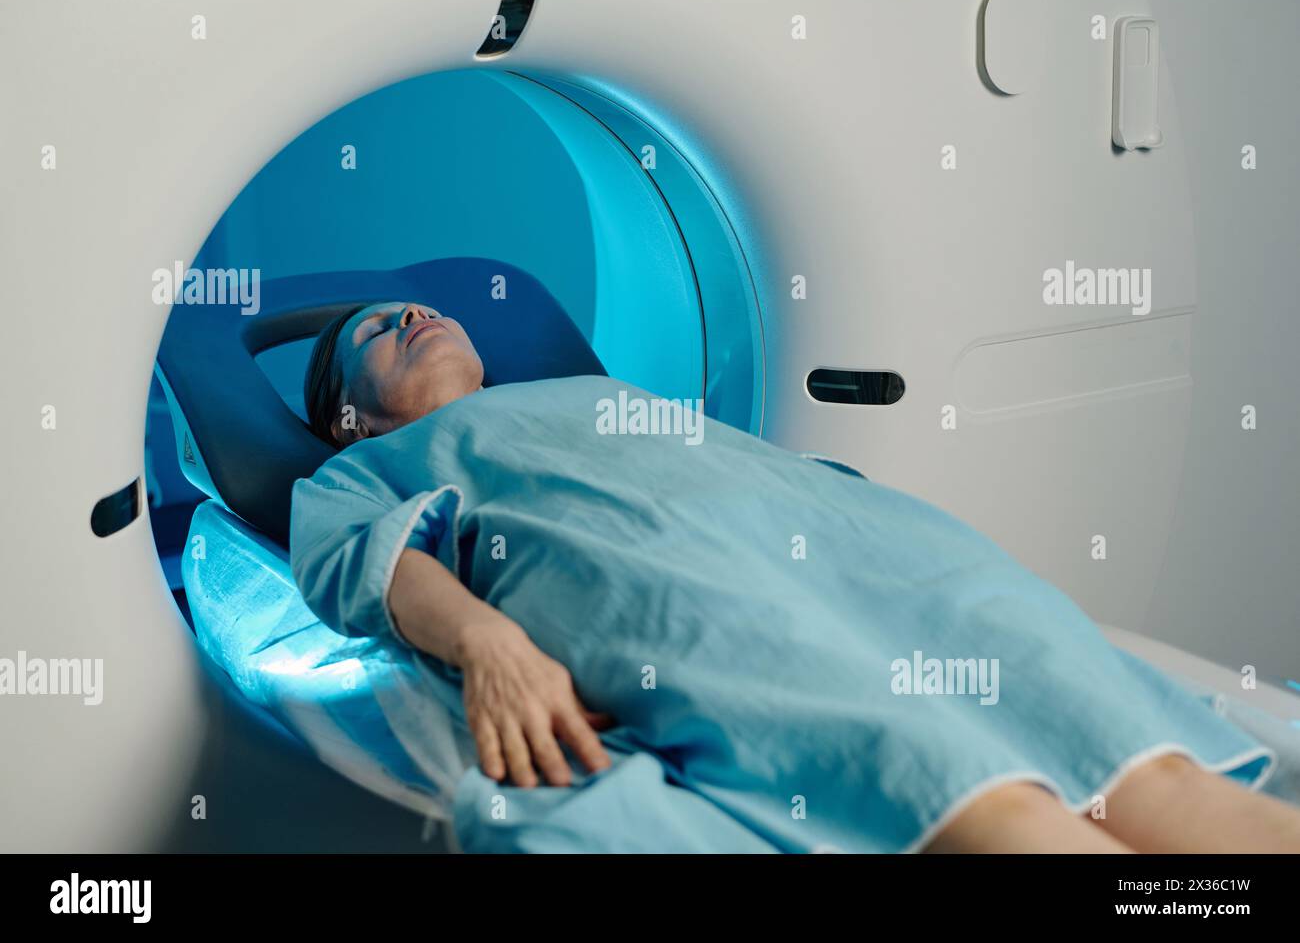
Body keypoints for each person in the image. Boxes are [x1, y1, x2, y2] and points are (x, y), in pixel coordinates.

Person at [292, 300, 1300, 853]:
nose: (410, 314)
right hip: (691, 603)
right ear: (350, 414)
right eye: (375, 332)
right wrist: (488, 641)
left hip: (883, 553)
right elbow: (362, 572)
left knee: (1144, 762)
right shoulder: (359, 471)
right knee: (988, 804)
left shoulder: (591, 388)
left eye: (416, 307)